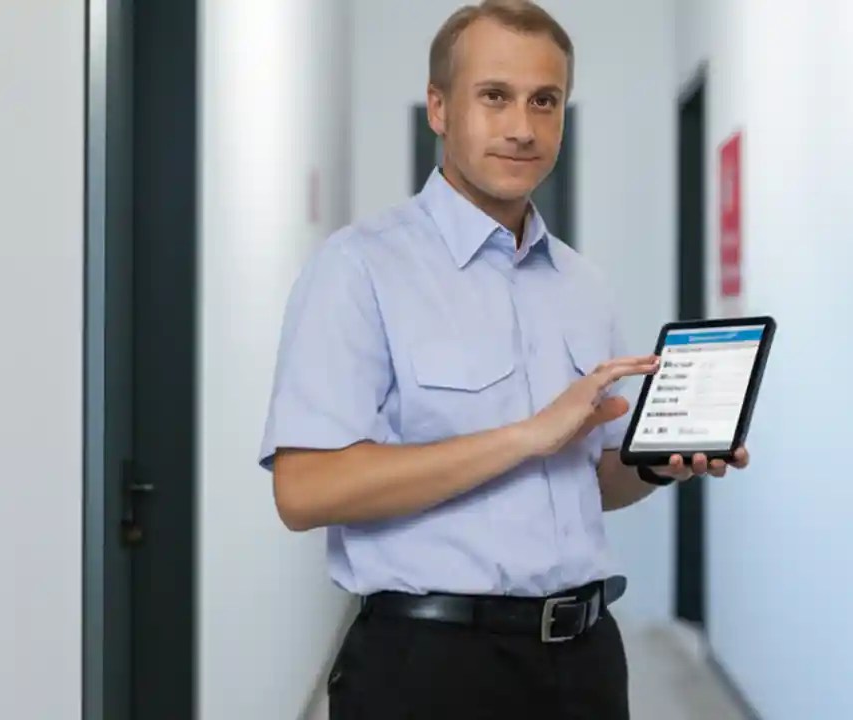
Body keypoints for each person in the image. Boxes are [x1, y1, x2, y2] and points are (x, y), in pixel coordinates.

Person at [258, 1, 748, 717]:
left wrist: (652, 464)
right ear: (438, 107)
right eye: (494, 97)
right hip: (429, 671)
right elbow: (304, 490)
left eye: (544, 101)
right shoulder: (358, 269)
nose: (522, 127)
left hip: (585, 663)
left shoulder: (583, 286)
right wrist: (525, 435)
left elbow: (593, 483)